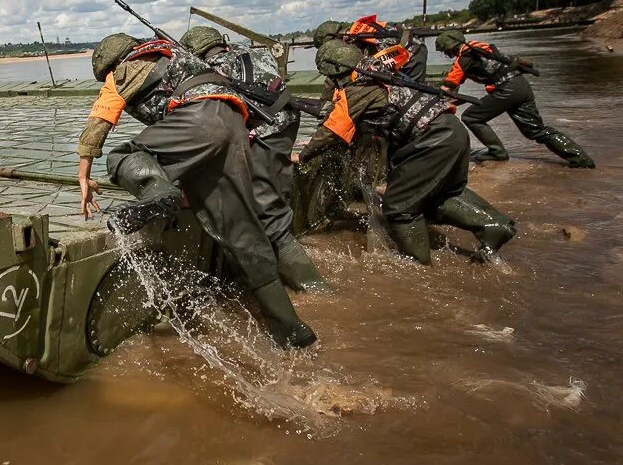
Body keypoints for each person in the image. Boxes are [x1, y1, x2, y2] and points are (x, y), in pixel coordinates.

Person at [76, 32, 317, 350]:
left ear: (111, 64)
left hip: (200, 118)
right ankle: (291, 329)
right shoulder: (178, 55)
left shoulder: (123, 69)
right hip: (234, 126)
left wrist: (83, 176)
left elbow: (100, 120)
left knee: (122, 156)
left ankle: (157, 192)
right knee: (241, 234)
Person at [299, 40, 516, 264]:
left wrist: (304, 155)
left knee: (398, 207)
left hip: (432, 141)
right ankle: (494, 225)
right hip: (452, 130)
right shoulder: (384, 74)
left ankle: (417, 266)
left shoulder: (358, 90)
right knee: (439, 196)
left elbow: (330, 132)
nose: (331, 82)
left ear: (337, 70)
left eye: (330, 76)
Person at [180, 25, 327, 292]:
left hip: (265, 130)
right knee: (270, 195)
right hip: (286, 123)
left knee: (268, 212)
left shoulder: (213, 69)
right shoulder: (248, 53)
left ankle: (314, 288)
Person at [435, 31, 594, 168]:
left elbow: (448, 87)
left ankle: (497, 152)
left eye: (445, 51)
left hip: (506, 89)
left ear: (450, 48)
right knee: (535, 130)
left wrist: (436, 100)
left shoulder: (463, 59)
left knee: (471, 116)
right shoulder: (483, 47)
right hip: (520, 84)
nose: (446, 55)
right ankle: (580, 158)